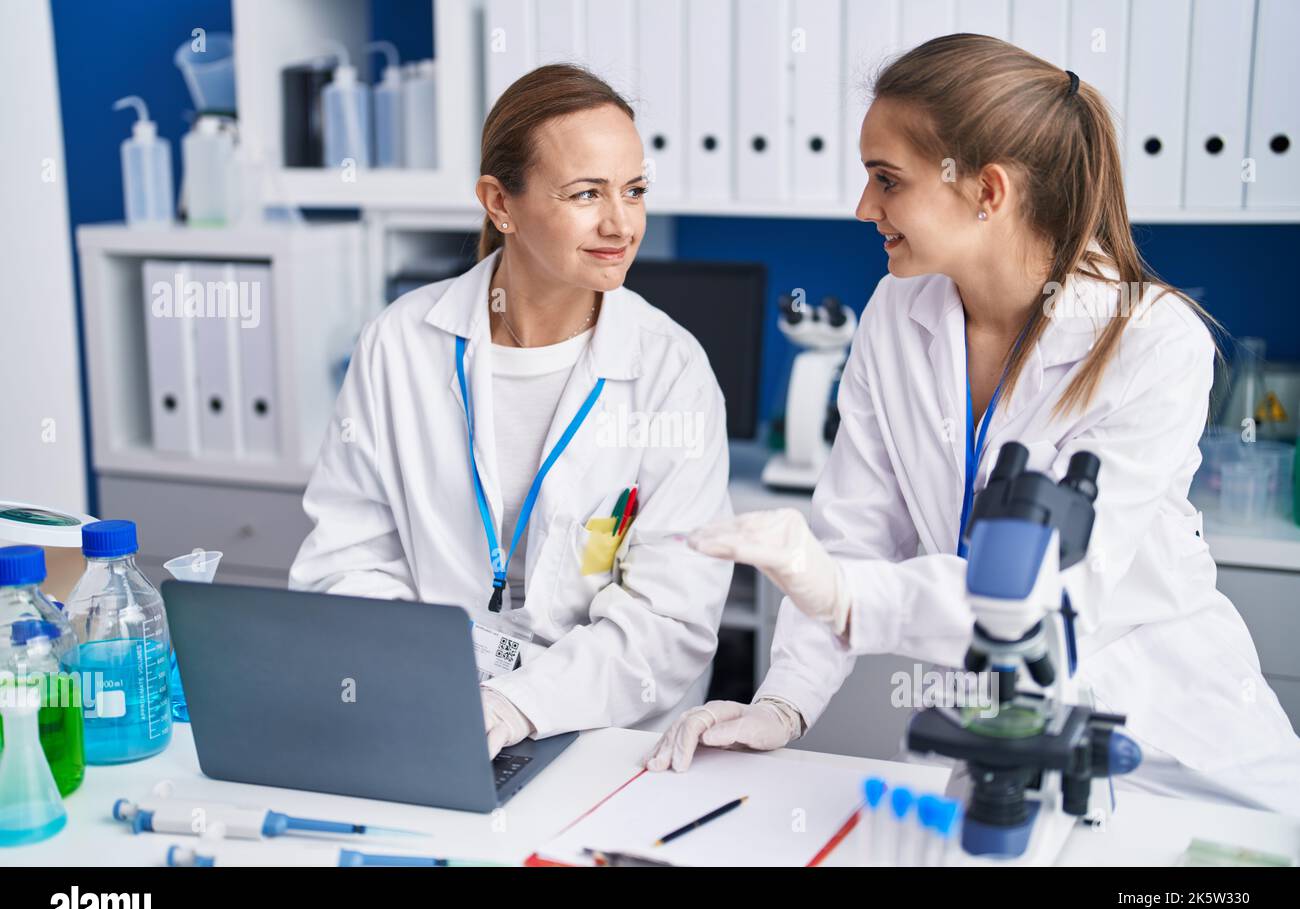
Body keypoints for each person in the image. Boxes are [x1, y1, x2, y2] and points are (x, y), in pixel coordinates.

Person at [646, 34, 1300, 816]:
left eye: (887, 180)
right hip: (999, 741)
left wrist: (843, 592)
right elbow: (856, 532)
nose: (864, 208)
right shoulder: (898, 311)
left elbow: (1052, 589)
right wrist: (783, 703)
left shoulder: (1150, 340)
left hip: (1170, 754)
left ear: (986, 191)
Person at [291, 65, 732, 758]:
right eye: (587, 193)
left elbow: (669, 619)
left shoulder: (671, 370)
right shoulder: (400, 345)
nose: (621, 223)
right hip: (434, 717)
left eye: (635, 190)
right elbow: (347, 564)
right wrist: (435, 693)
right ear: (501, 203)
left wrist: (517, 703)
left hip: (611, 739)